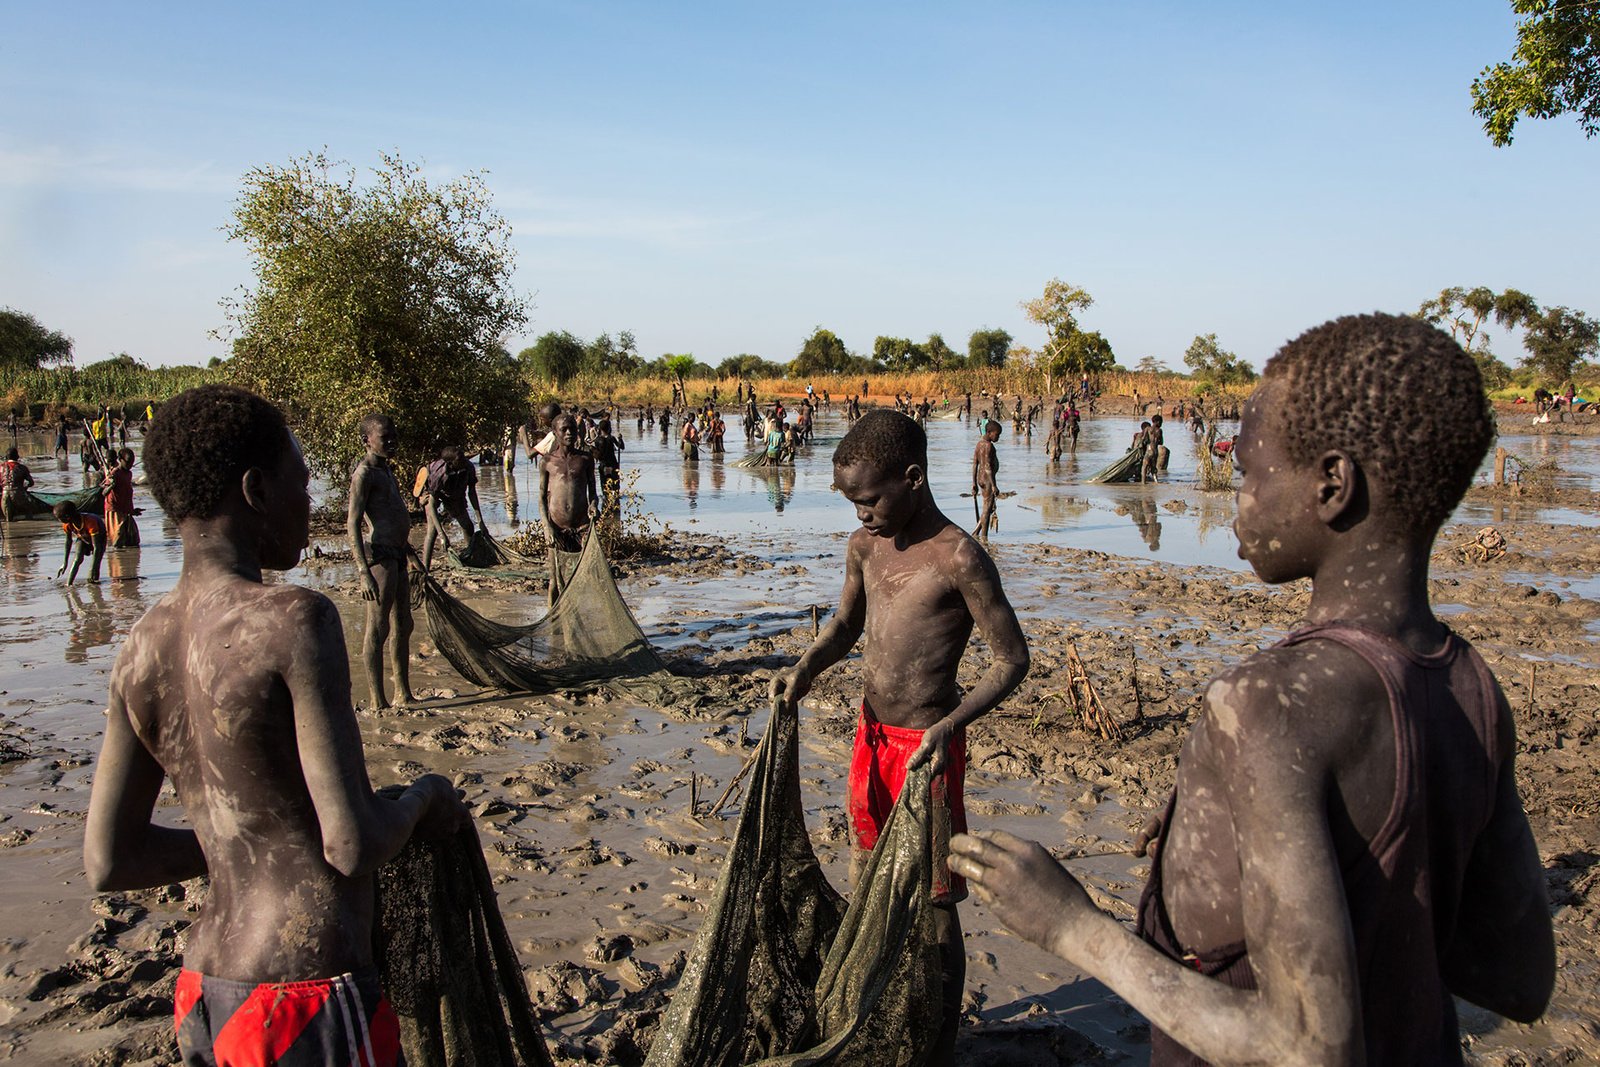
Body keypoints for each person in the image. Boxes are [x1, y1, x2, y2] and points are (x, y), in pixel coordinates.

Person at [949, 313, 1555, 1065]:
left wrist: (1072, 925)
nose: (1235, 496)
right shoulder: (1472, 685)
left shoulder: (1267, 703)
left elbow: (1305, 1047)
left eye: (1248, 473)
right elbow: (1518, 978)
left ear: (1332, 485)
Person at [83, 384, 468, 1067]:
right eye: (301, 478)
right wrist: (423, 799)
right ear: (256, 489)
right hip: (307, 989)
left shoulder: (139, 646)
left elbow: (109, 860)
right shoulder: (295, 619)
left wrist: (239, 841)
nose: (310, 499)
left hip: (203, 990)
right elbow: (350, 842)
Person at [770, 410, 1028, 1067]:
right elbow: (845, 624)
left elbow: (1011, 660)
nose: (862, 515)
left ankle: (939, 1040)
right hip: (871, 739)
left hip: (928, 747)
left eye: (869, 500)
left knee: (935, 898)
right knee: (868, 872)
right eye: (852, 503)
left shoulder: (958, 556)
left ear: (913, 479)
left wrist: (950, 725)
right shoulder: (864, 547)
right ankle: (881, 1012)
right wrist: (805, 665)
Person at [348, 414, 416, 711]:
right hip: (380, 557)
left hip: (399, 554)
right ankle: (378, 700)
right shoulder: (364, 474)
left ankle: (403, 691)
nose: (391, 442)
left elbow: (395, 513)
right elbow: (352, 524)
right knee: (378, 628)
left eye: (393, 436)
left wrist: (411, 553)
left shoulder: (386, 469)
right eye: (384, 437)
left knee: (404, 624)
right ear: (368, 441)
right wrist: (363, 571)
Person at [419, 445, 485, 573]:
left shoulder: (468, 467)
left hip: (454, 492)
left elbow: (472, 493)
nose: (465, 461)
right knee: (432, 531)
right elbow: (432, 505)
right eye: (460, 460)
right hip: (431, 491)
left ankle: (469, 557)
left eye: (464, 458)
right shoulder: (440, 475)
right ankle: (425, 569)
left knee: (468, 526)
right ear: (450, 463)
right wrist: (442, 535)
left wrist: (480, 520)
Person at [540, 413, 597, 553]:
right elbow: (541, 497)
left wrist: (594, 505)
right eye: (564, 429)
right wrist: (547, 527)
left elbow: (593, 493)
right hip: (556, 527)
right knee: (558, 570)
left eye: (572, 428)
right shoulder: (547, 461)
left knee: (585, 568)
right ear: (555, 433)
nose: (569, 433)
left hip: (582, 526)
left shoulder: (585, 459)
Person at [54, 499, 106, 584]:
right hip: (82, 538)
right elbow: (68, 542)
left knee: (95, 565)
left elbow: (96, 547)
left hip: (99, 539)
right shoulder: (67, 525)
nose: (59, 521)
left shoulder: (90, 522)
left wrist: (93, 567)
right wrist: (65, 563)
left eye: (59, 518)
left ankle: (94, 584)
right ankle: (69, 584)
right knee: (77, 559)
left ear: (67, 517)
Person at [103, 447, 140, 548]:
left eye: (132, 462)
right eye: (128, 462)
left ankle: (125, 559)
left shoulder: (129, 474)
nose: (131, 465)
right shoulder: (115, 473)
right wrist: (111, 485)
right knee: (118, 537)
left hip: (125, 508)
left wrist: (132, 510)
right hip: (114, 509)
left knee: (133, 539)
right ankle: (116, 559)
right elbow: (104, 492)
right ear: (120, 460)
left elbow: (127, 492)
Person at [972, 420, 1001, 541]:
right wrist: (994, 485)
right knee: (987, 509)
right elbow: (988, 467)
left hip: (980, 478)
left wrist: (974, 483)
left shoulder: (979, 444)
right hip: (988, 480)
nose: (998, 437)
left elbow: (975, 464)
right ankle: (982, 536)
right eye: (997, 434)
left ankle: (978, 533)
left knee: (986, 508)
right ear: (989, 433)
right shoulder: (989, 446)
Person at [592, 417, 625, 514]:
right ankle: (616, 507)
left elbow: (598, 455)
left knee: (605, 487)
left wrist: (592, 449)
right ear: (609, 428)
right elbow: (621, 447)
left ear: (600, 429)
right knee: (615, 486)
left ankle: (606, 508)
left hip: (604, 465)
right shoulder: (611, 438)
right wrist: (621, 439)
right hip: (613, 464)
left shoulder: (598, 440)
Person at [2, 445, 34, 525]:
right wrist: (25, 487)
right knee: (29, 512)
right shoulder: (22, 468)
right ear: (17, 457)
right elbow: (31, 482)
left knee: (8, 522)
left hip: (5, 495)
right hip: (19, 493)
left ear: (6, 457)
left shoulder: (1, 467)